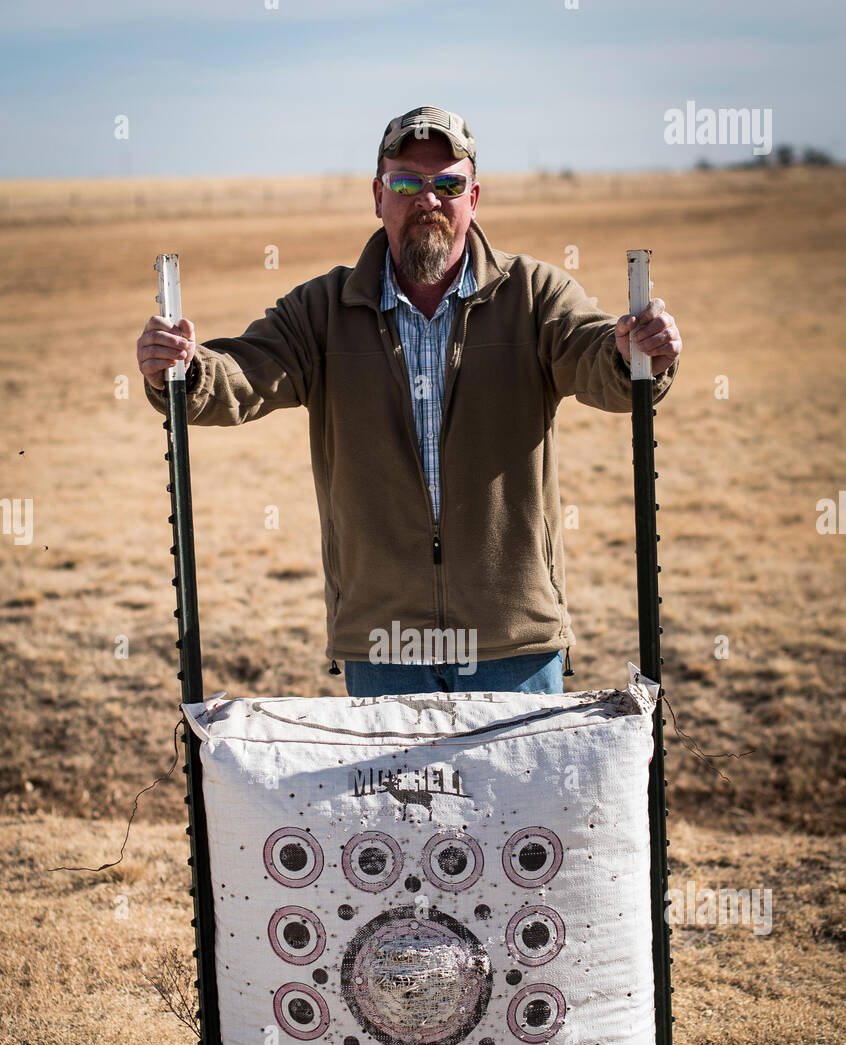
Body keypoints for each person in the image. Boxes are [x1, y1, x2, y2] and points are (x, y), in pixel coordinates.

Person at [137, 105, 682, 698]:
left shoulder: (534, 295)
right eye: (406, 183)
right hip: (383, 641)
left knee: (518, 795)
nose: (428, 199)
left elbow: (595, 355)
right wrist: (185, 371)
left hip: (510, 641)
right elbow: (242, 373)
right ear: (378, 195)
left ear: (475, 198)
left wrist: (636, 352)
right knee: (393, 795)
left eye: (447, 183)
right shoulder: (323, 310)